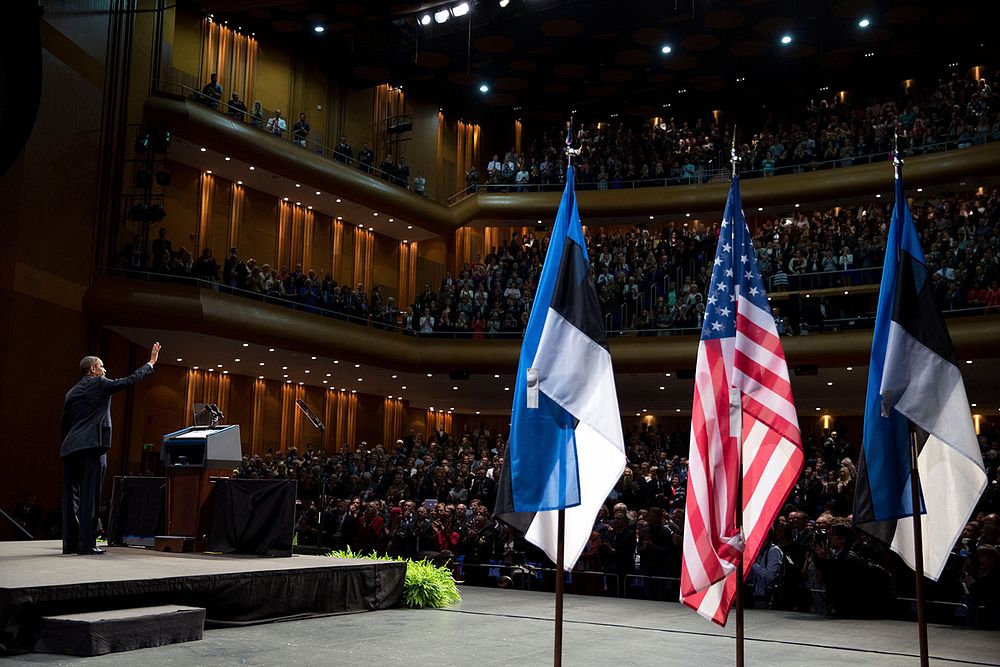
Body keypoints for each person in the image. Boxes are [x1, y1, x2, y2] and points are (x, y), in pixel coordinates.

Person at [60, 343, 161, 555]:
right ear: (93, 370)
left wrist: (66, 446)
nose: (105, 370)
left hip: (70, 449)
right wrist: (150, 363)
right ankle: (87, 545)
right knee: (91, 497)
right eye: (102, 366)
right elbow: (129, 380)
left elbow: (65, 423)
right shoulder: (99, 384)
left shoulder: (71, 393)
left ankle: (70, 544)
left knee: (72, 498)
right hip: (92, 447)